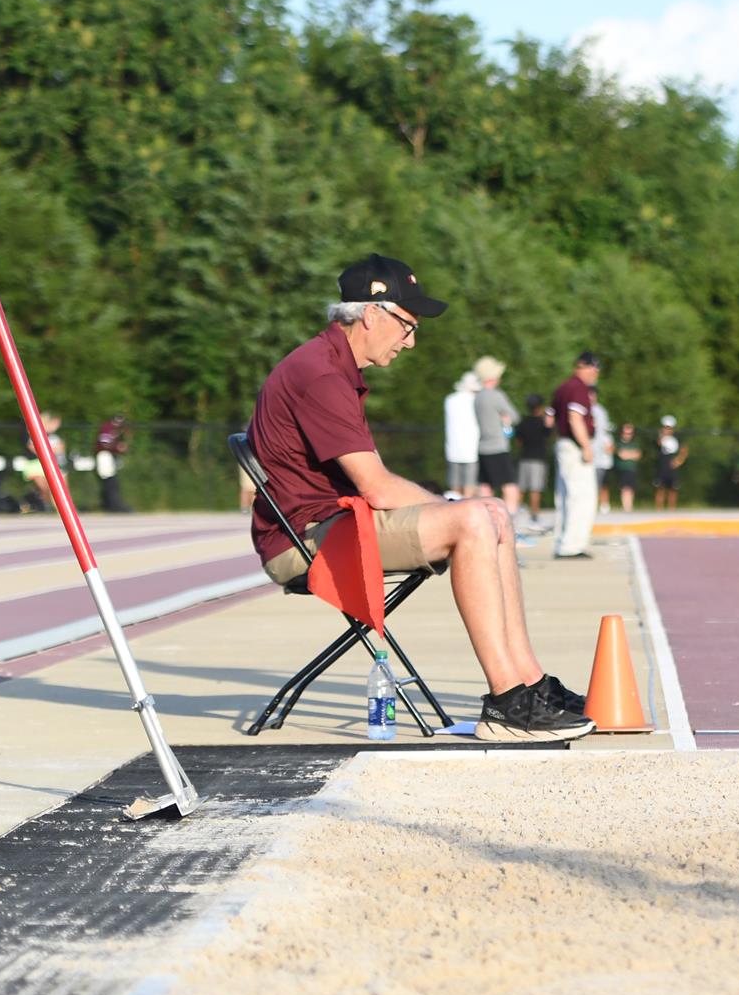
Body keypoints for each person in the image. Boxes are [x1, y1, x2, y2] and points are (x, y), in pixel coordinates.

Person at [244, 255, 590, 741]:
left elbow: (373, 487)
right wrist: (450, 508)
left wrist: (453, 505)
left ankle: (529, 683)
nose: (411, 340)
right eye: (407, 324)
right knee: (473, 519)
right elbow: (378, 487)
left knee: (493, 513)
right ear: (370, 314)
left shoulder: (331, 366)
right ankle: (508, 703)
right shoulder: (321, 375)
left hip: (338, 523)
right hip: (306, 540)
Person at [550, 352, 601, 559]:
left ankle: (563, 541)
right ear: (587, 367)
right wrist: (586, 446)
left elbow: (550, 419)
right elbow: (575, 417)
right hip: (574, 445)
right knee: (581, 496)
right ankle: (572, 545)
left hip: (563, 443)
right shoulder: (578, 387)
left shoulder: (563, 387)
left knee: (564, 497)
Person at [472, 357, 521, 515]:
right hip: (498, 447)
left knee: (485, 486)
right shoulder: (496, 396)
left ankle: (487, 520)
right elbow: (514, 416)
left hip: (482, 447)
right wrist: (504, 419)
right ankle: (511, 521)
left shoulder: (477, 398)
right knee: (510, 486)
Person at [513, 395, 551, 526]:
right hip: (538, 459)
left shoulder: (522, 422)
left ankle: (514, 514)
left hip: (524, 457)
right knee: (535, 489)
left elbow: (518, 441)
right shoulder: (542, 422)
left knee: (521, 488)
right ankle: (534, 516)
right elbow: (549, 433)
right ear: (540, 407)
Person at [443, 371, 481, 497]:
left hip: (453, 448)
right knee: (469, 484)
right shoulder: (475, 400)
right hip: (472, 448)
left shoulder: (449, 400)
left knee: (455, 484)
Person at [94, 414, 133, 513]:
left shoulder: (112, 429)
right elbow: (104, 443)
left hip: (109, 456)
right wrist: (117, 447)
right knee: (110, 481)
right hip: (104, 455)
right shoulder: (108, 428)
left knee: (111, 480)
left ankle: (110, 504)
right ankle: (113, 505)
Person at [590, 387, 615, 514]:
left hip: (599, 456)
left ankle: (598, 505)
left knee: (598, 483)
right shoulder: (582, 409)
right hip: (587, 453)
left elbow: (604, 434)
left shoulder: (600, 411)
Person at [653, 415, 687, 510]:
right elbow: (658, 443)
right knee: (660, 487)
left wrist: (679, 460)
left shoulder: (678, 437)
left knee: (673, 488)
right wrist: (662, 434)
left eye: (669, 428)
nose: (667, 429)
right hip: (662, 466)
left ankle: (672, 509)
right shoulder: (660, 437)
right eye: (666, 427)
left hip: (673, 467)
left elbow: (684, 450)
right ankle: (659, 509)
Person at [613, 421, 642, 513]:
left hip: (632, 469)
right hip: (622, 469)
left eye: (630, 433)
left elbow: (638, 455)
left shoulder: (635, 443)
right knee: (625, 488)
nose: (627, 434)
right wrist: (631, 454)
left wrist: (628, 454)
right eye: (626, 432)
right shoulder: (618, 443)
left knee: (631, 488)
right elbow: (622, 455)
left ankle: (629, 507)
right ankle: (626, 508)